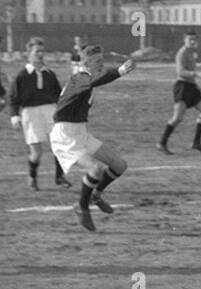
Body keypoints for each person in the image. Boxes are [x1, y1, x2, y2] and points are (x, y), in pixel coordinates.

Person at [49, 45, 136, 233]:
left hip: (80, 132)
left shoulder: (88, 79)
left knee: (119, 165)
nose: (100, 64)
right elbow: (98, 79)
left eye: (101, 60)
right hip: (64, 135)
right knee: (95, 169)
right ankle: (82, 206)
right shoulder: (80, 77)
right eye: (96, 62)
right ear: (85, 63)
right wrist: (120, 71)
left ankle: (96, 194)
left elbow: (97, 81)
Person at [7, 37, 68, 190]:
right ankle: (32, 177)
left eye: (42, 51)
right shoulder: (22, 75)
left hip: (50, 111)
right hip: (31, 113)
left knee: (58, 145)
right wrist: (14, 115)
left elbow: (59, 95)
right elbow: (13, 97)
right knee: (36, 152)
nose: (40, 54)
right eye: (36, 51)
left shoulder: (49, 74)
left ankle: (60, 177)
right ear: (29, 53)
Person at [158, 32, 201, 155]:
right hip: (182, 87)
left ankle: (196, 143)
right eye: (190, 39)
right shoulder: (181, 53)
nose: (192, 41)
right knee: (177, 118)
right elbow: (181, 72)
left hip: (191, 87)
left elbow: (192, 68)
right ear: (185, 40)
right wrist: (196, 74)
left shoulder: (191, 53)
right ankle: (162, 142)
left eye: (194, 39)